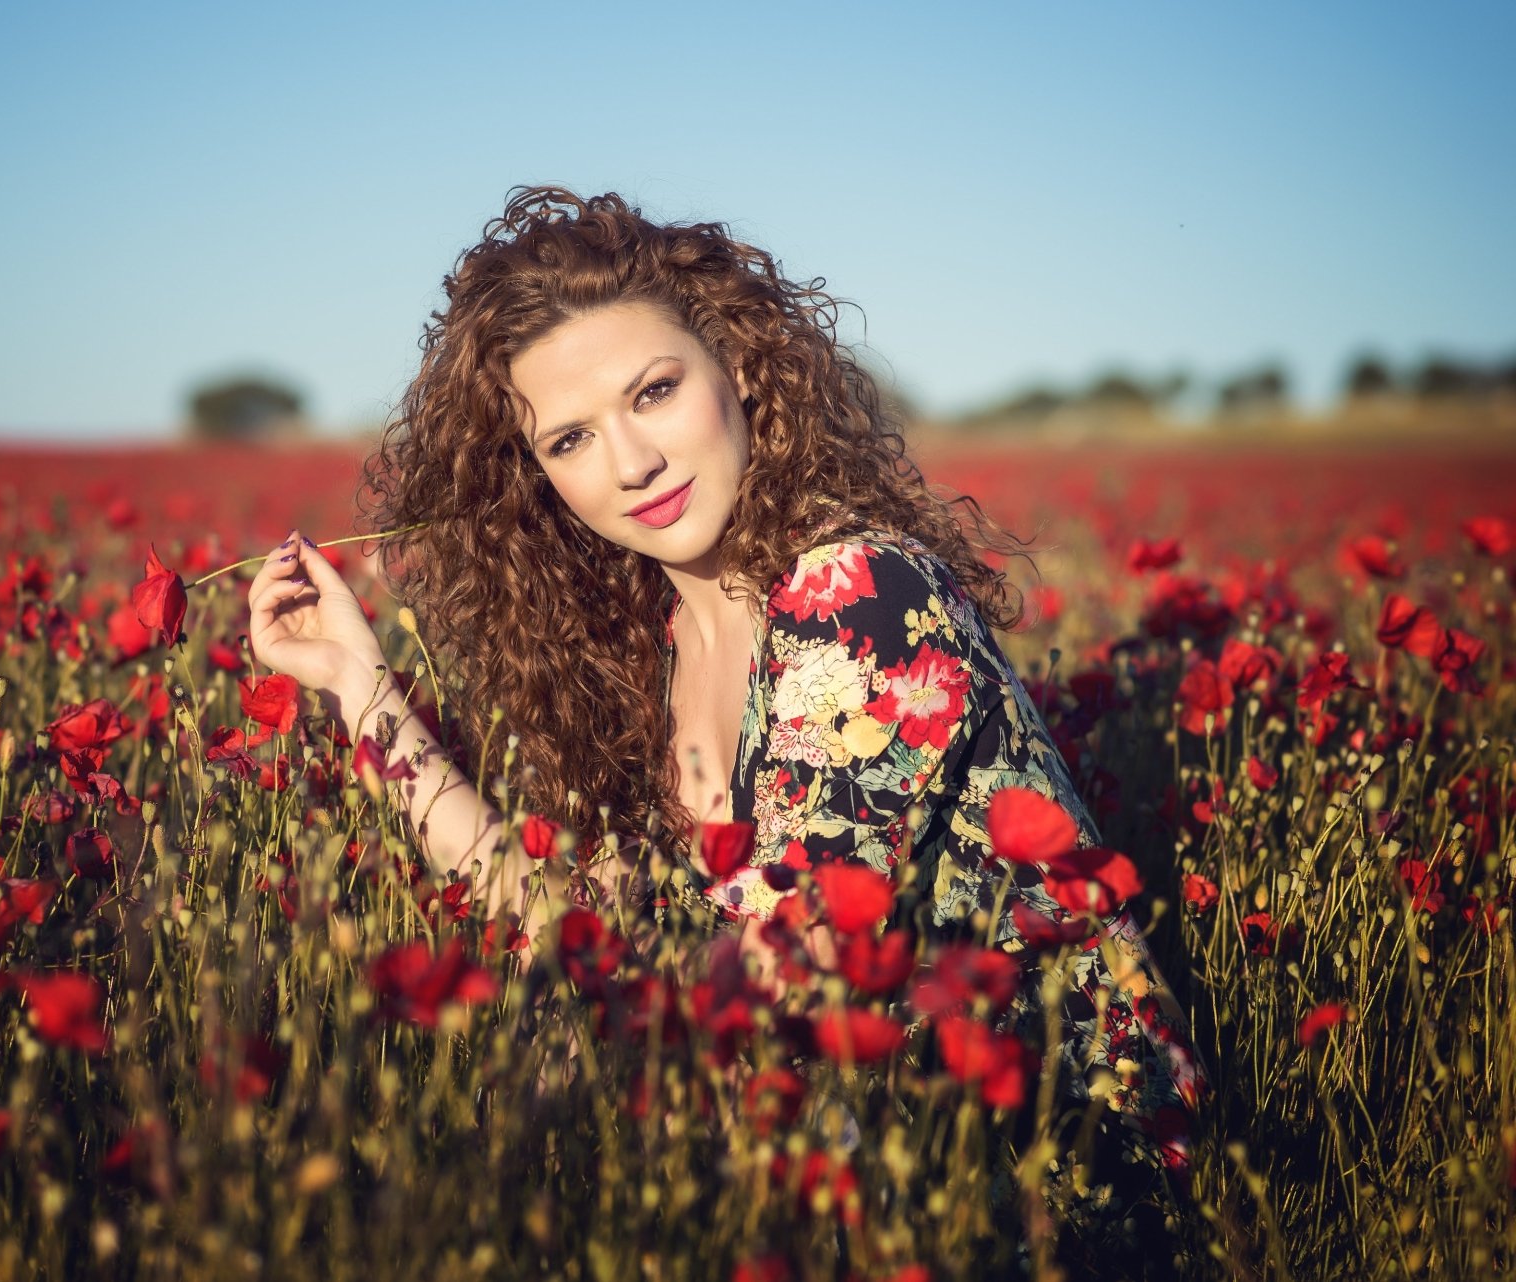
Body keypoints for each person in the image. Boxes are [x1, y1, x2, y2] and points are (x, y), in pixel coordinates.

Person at [246, 186, 1209, 1271]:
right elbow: (578, 927)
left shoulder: (863, 597)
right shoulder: (652, 647)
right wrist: (356, 683)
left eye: (653, 391)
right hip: (860, 1156)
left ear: (738, 368)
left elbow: (769, 993)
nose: (630, 463)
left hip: (1051, 1181)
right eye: (571, 438)